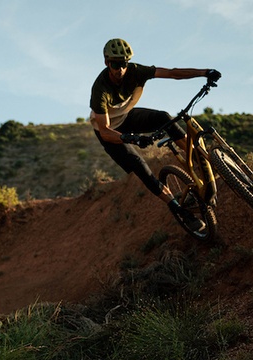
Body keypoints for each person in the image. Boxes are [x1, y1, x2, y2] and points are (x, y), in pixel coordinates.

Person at [89, 38, 221, 231]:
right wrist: (130, 138)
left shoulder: (135, 71)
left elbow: (172, 73)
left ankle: (199, 160)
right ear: (107, 62)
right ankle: (178, 210)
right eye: (116, 64)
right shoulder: (100, 89)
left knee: (164, 118)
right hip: (109, 131)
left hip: (127, 117)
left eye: (124, 64)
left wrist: (204, 72)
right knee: (139, 165)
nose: (120, 69)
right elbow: (106, 131)